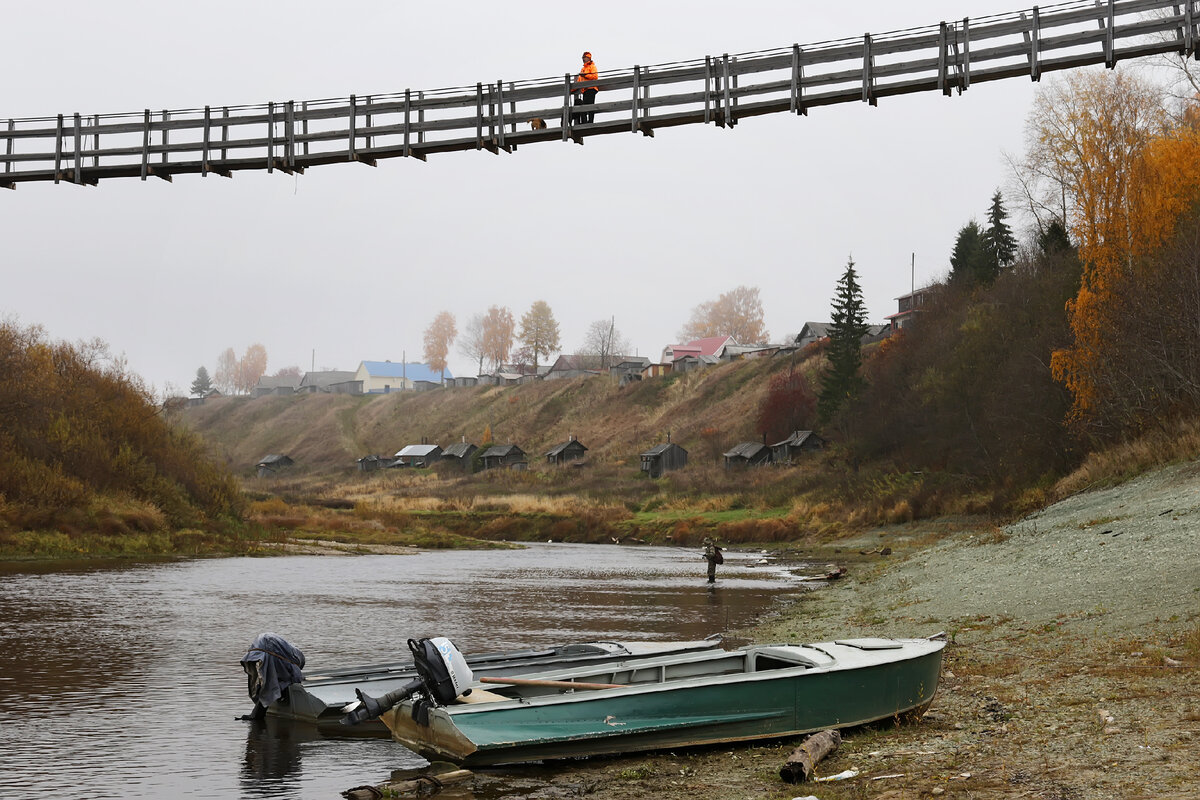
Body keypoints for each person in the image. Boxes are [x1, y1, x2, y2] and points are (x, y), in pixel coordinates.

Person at [572, 51, 598, 124]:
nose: (583, 59)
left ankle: (590, 122)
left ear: (589, 58)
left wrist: (585, 75)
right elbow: (579, 82)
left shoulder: (592, 66)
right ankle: (584, 122)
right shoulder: (583, 69)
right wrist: (572, 90)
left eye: (585, 57)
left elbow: (595, 76)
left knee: (590, 106)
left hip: (591, 89)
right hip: (585, 90)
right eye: (583, 58)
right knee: (584, 106)